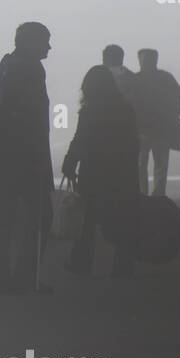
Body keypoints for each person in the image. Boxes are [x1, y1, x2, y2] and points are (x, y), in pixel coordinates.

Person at [0, 21, 54, 295]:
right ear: (30, 42)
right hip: (26, 157)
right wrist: (38, 159)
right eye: (45, 41)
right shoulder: (31, 69)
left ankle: (1, 280)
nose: (49, 46)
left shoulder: (5, 65)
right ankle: (27, 277)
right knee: (42, 216)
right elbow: (31, 118)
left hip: (3, 156)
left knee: (3, 218)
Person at [61, 65, 140, 278]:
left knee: (86, 220)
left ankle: (81, 262)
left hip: (93, 171)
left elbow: (80, 139)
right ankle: (123, 267)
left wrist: (69, 163)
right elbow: (134, 142)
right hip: (121, 173)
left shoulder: (89, 110)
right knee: (122, 220)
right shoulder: (125, 108)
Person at [132, 48, 180, 196]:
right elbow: (179, 95)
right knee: (158, 163)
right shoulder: (165, 78)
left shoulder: (136, 80)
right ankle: (158, 194)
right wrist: (175, 114)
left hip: (145, 128)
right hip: (159, 128)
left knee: (142, 164)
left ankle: (144, 193)